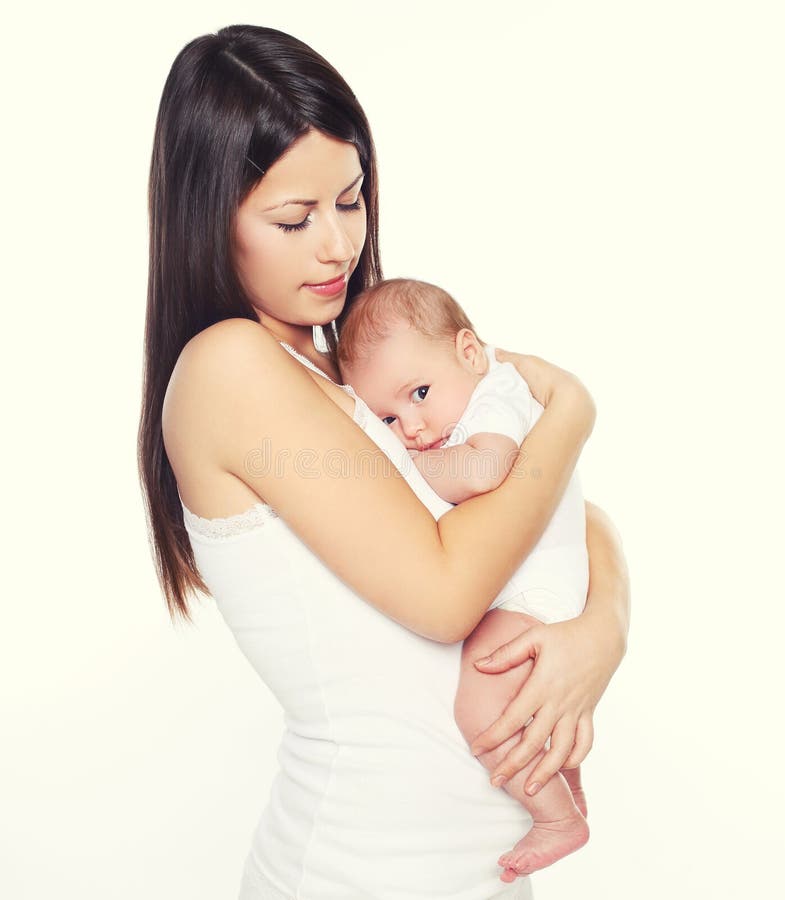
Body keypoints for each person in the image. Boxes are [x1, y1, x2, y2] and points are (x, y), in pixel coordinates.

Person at [138, 24, 630, 899]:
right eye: (294, 219)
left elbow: (569, 516)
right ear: (210, 218)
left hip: (478, 874)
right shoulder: (230, 368)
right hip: (356, 873)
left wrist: (602, 630)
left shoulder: (360, 372)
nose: (337, 245)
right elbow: (447, 596)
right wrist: (573, 413)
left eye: (351, 199)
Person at [338, 278, 592, 879]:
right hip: (535, 579)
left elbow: (484, 470)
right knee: (536, 704)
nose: (412, 426)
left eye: (420, 393)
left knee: (482, 706)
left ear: (470, 353)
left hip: (534, 585)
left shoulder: (496, 394)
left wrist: (403, 468)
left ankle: (557, 819)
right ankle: (569, 790)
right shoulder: (466, 400)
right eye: (389, 417)